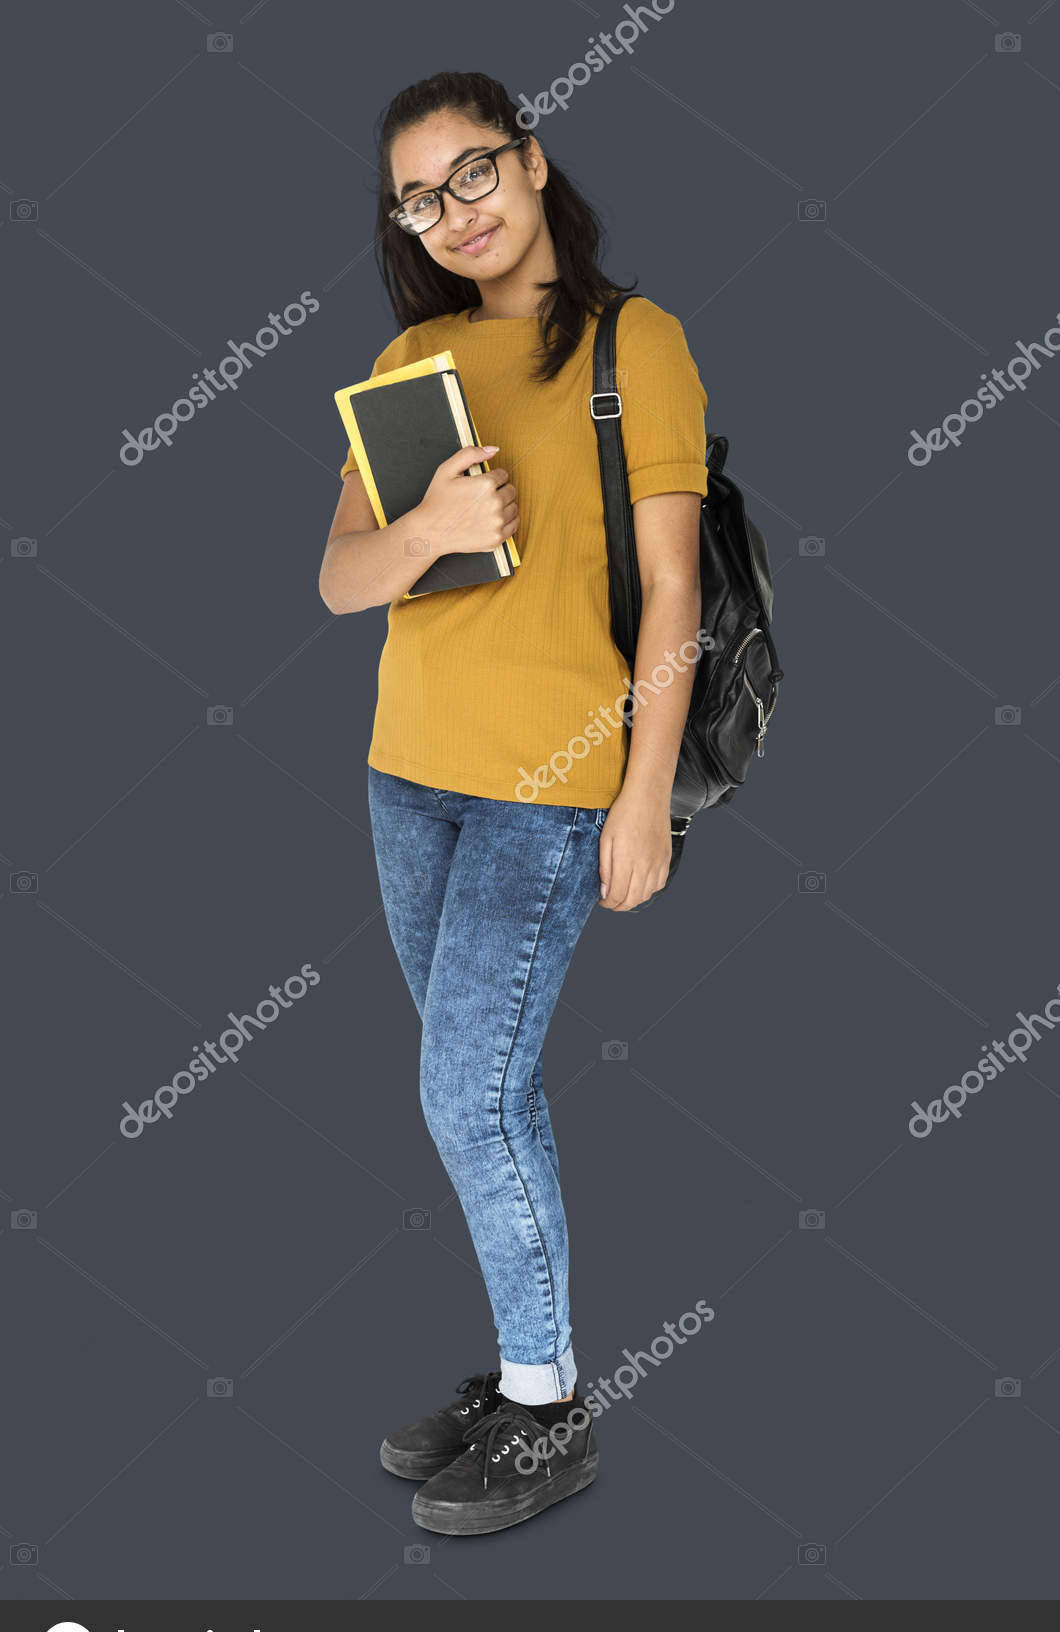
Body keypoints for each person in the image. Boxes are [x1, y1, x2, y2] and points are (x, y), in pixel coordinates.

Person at [319, 69, 707, 1535]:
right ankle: (525, 1367)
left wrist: (646, 796)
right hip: (407, 777)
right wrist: (425, 526)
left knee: (462, 1093)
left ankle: (551, 1416)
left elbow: (672, 596)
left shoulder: (631, 343)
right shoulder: (410, 355)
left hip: (551, 791)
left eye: (473, 173)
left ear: (533, 163)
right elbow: (343, 579)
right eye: (419, 196)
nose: (452, 213)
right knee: (490, 1093)